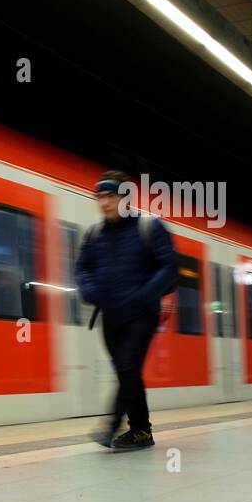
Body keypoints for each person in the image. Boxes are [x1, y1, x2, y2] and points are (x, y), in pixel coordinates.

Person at [74, 170, 178, 451]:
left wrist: (145, 295)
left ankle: (111, 425)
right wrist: (90, 291)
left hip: (141, 314)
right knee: (126, 373)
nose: (104, 203)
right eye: (100, 197)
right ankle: (141, 431)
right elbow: (82, 269)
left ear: (125, 198)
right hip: (110, 316)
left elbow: (169, 266)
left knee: (129, 367)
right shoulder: (95, 235)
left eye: (110, 196)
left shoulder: (149, 227)